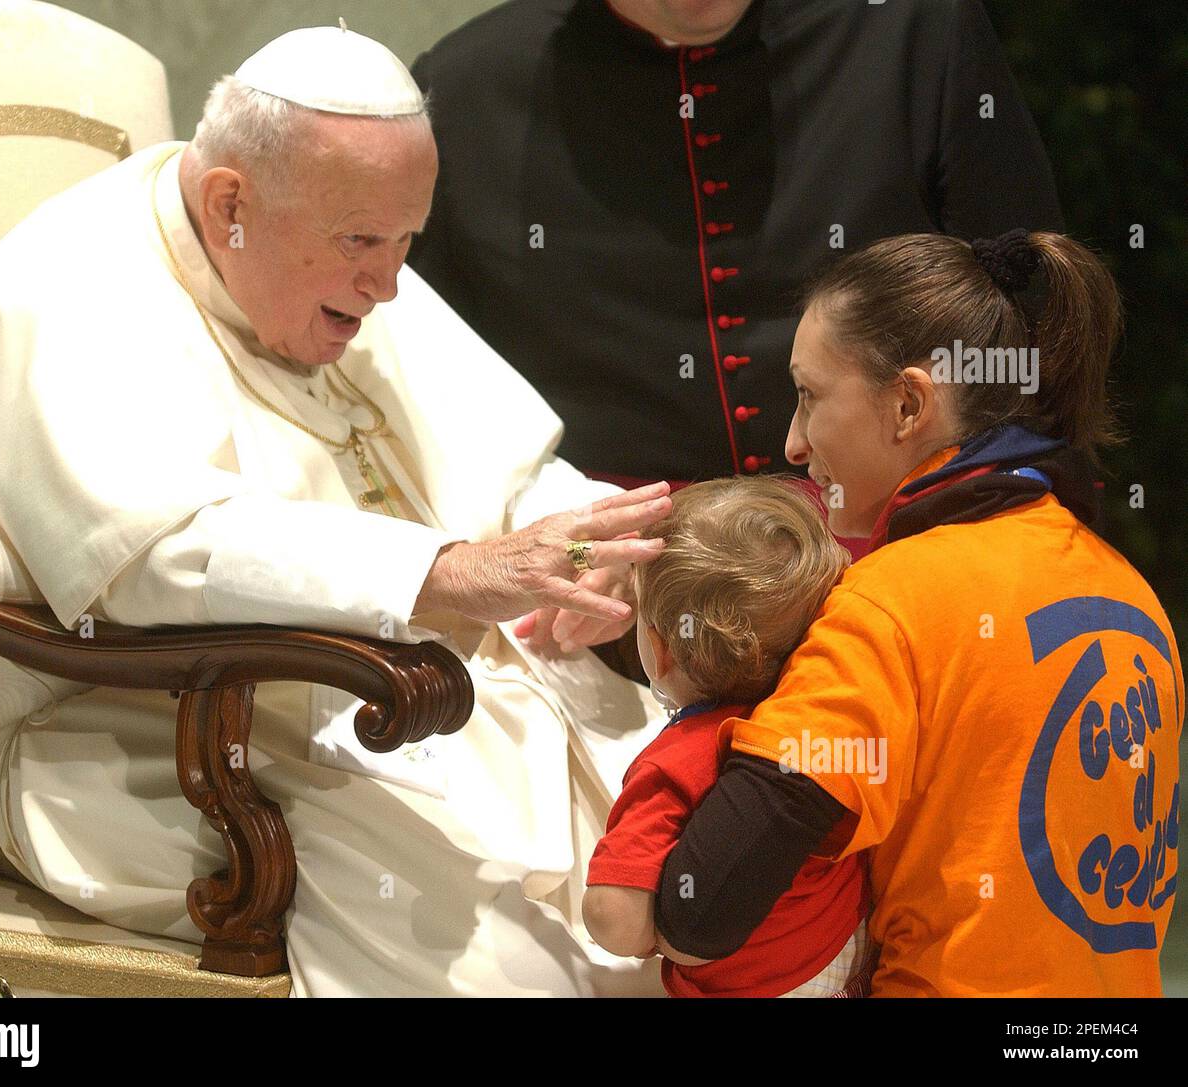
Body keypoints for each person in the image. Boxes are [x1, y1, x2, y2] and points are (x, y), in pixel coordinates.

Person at [0, 26, 679, 996]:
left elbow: (504, 461)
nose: (389, 287)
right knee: (506, 969)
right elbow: (150, 552)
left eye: (406, 244)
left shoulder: (320, 248)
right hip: (170, 735)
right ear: (230, 205)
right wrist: (437, 573)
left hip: (422, 701)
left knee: (707, 851)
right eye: (361, 244)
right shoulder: (61, 297)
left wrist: (595, 537)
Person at [651, 229, 1183, 996]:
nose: (794, 443)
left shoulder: (893, 601)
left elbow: (697, 909)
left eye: (808, 395)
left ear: (907, 404)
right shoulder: (1134, 598)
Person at [409, 0, 1064, 495]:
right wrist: (581, 561)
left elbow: (1032, 341)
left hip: (904, 553)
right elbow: (447, 453)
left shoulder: (911, 30)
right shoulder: (462, 92)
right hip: (613, 591)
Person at [581, 476, 873, 996]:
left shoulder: (672, 763)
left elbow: (613, 916)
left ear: (659, 647)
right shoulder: (825, 711)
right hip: (851, 950)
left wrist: (646, 931)